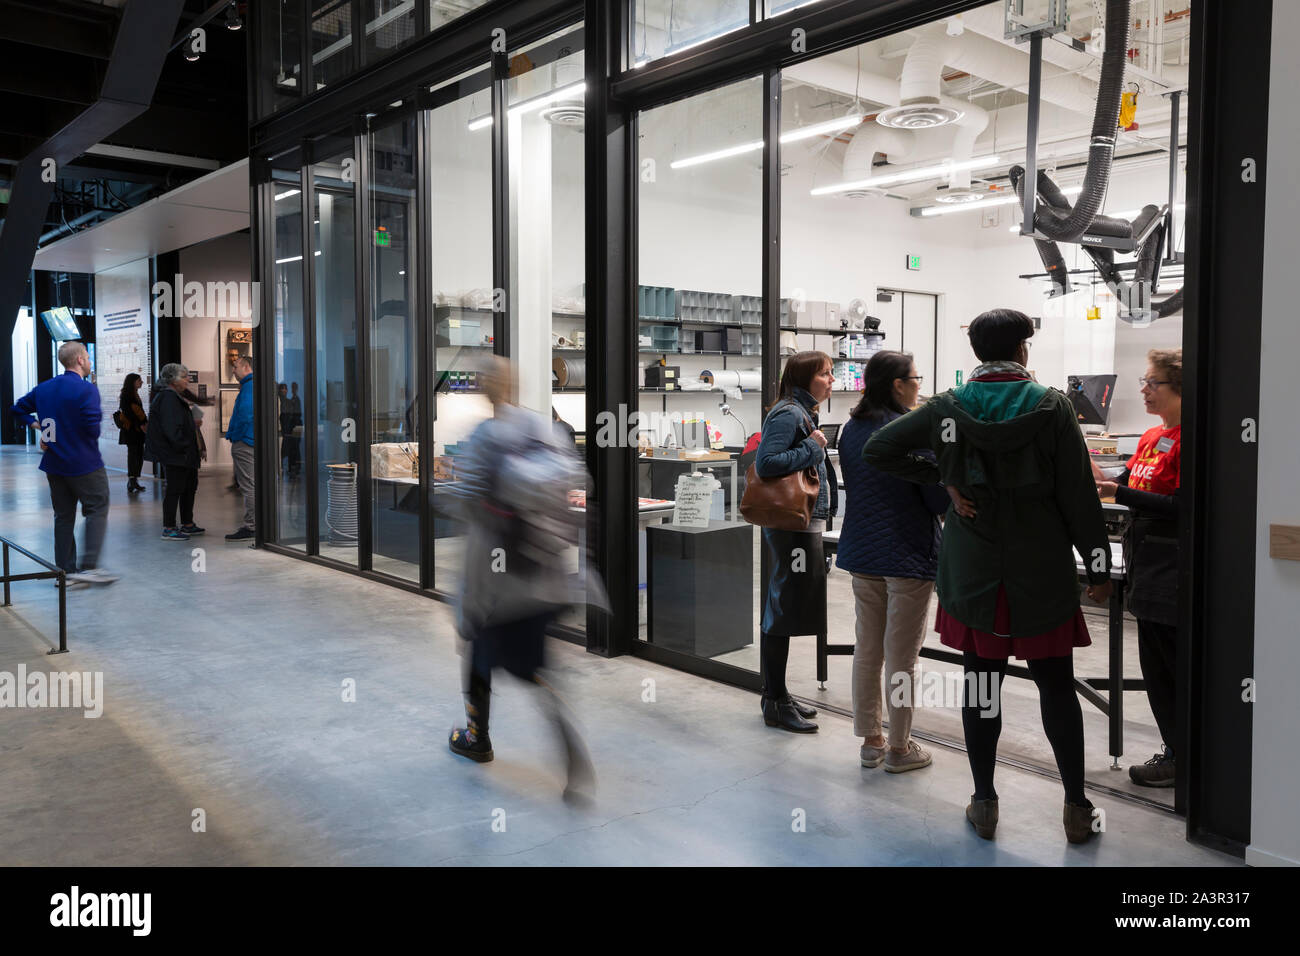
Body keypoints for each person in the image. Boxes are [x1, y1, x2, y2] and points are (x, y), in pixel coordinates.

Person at [865, 309, 1112, 845]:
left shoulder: (948, 408)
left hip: (974, 570)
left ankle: (984, 803)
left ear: (978, 352)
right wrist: (1098, 564)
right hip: (1040, 568)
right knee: (1056, 688)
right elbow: (1079, 493)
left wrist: (946, 476)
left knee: (982, 686)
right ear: (1023, 349)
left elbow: (877, 449)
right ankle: (1074, 806)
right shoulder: (1053, 407)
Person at [447, 357, 597, 803]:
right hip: (544, 575)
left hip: (497, 579)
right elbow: (577, 485)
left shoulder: (484, 437)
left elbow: (465, 500)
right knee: (537, 666)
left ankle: (478, 738)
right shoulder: (545, 430)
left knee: (479, 653)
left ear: (486, 387)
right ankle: (564, 732)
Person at [838, 351, 948, 773]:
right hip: (907, 554)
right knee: (902, 657)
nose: (921, 385)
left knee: (867, 649)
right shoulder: (911, 431)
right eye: (916, 378)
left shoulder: (850, 428)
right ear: (898, 385)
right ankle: (900, 749)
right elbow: (936, 497)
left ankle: (871, 742)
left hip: (862, 552)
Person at [1095, 349, 1182, 788]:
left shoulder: (1191, 439)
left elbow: (1183, 506)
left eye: (1153, 383)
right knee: (1155, 669)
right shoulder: (1151, 437)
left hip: (1173, 570)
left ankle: (1182, 757)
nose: (1144, 390)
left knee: (1175, 667)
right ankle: (1174, 750)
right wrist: (1099, 475)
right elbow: (1129, 480)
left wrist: (1119, 493)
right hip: (1144, 568)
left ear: (1179, 388)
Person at [753, 350, 838, 733]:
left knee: (788, 606)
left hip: (802, 524)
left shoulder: (800, 412)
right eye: (825, 374)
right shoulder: (789, 413)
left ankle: (779, 694)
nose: (832, 380)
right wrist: (813, 447)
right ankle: (774, 700)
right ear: (805, 378)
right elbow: (767, 463)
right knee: (783, 607)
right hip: (791, 525)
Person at [10, 341, 119, 588]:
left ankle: (65, 573)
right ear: (80, 360)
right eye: (88, 358)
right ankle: (90, 568)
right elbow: (92, 428)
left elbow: (17, 409)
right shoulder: (87, 389)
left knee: (63, 517)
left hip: (55, 464)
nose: (90, 362)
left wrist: (38, 426)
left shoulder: (45, 388)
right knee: (97, 509)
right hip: (85, 463)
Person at [147, 363, 204, 540]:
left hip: (183, 454)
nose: (188, 380)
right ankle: (169, 527)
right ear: (173, 380)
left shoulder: (172, 396)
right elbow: (171, 429)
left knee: (188, 488)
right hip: (176, 454)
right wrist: (184, 446)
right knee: (175, 489)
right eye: (184, 376)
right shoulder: (168, 398)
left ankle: (187, 523)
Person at [225, 354, 256, 540]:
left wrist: (237, 436)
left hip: (245, 442)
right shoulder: (252, 386)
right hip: (249, 440)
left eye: (236, 366)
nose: (233, 370)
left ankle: (251, 526)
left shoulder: (249, 387)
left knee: (248, 485)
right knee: (252, 483)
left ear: (246, 367)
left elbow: (245, 415)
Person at [116, 373, 148, 494]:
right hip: (131, 430)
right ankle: (132, 480)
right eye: (139, 380)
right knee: (133, 454)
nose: (142, 382)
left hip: (138, 430)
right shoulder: (126, 395)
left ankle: (134, 479)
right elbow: (128, 412)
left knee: (139, 453)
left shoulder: (134, 393)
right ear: (132, 382)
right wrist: (140, 424)